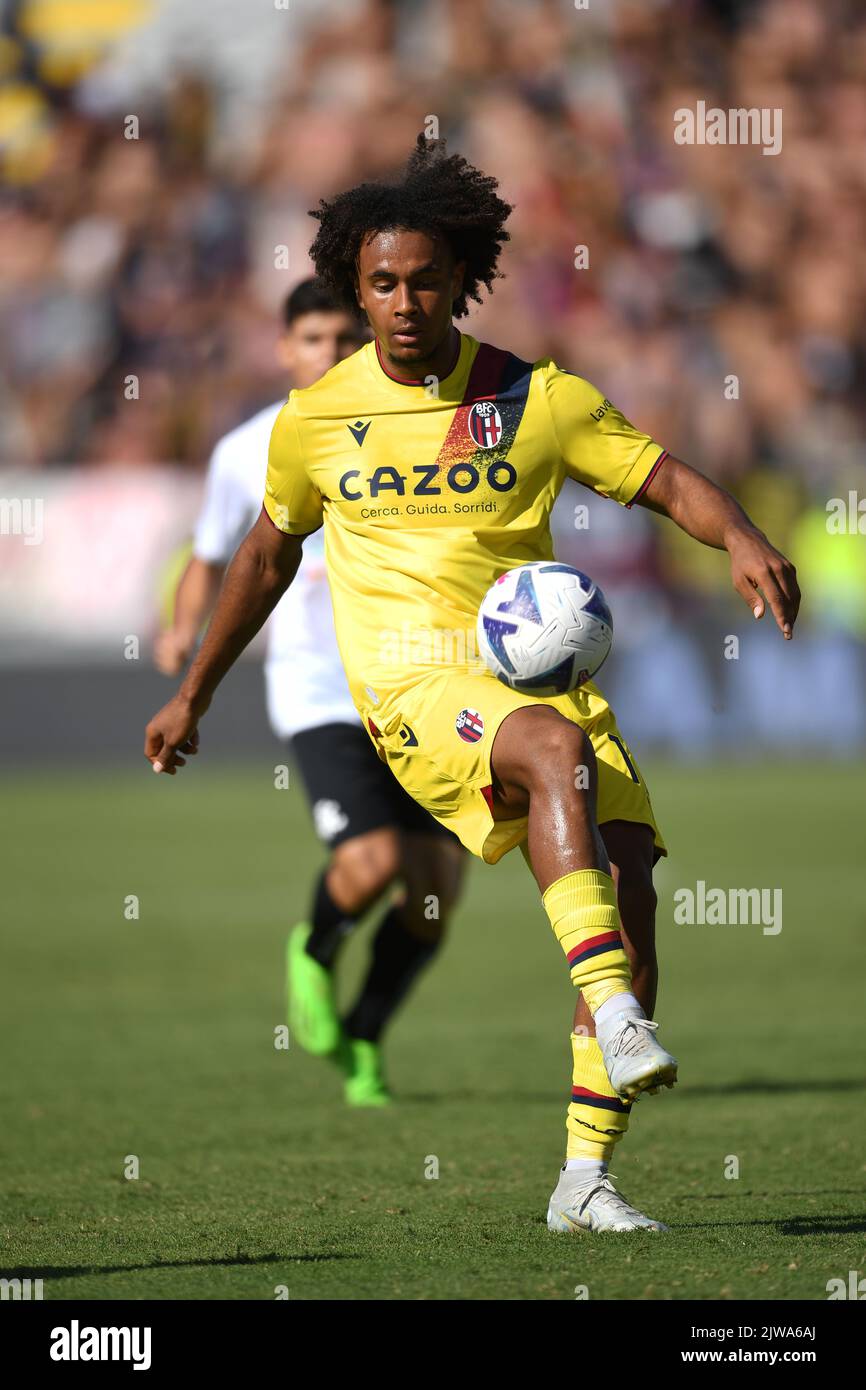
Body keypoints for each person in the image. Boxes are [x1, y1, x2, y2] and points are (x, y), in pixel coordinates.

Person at [145, 137, 799, 1233]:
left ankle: (582, 1181)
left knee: (631, 893)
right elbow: (264, 557)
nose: (403, 302)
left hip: (536, 677)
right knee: (551, 764)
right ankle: (611, 1010)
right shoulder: (317, 421)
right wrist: (194, 692)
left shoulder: (531, 395)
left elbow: (657, 475)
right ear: (356, 288)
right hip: (410, 685)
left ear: (461, 279)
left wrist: (733, 533)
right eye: (381, 284)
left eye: (424, 280)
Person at [155, 276, 465, 1107]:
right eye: (314, 340)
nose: (330, 352)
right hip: (320, 684)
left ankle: (364, 1035)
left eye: (343, 338)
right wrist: (185, 630)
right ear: (285, 349)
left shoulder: (411, 428)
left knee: (434, 896)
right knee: (373, 861)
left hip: (418, 677)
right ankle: (314, 947)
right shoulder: (248, 448)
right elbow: (216, 554)